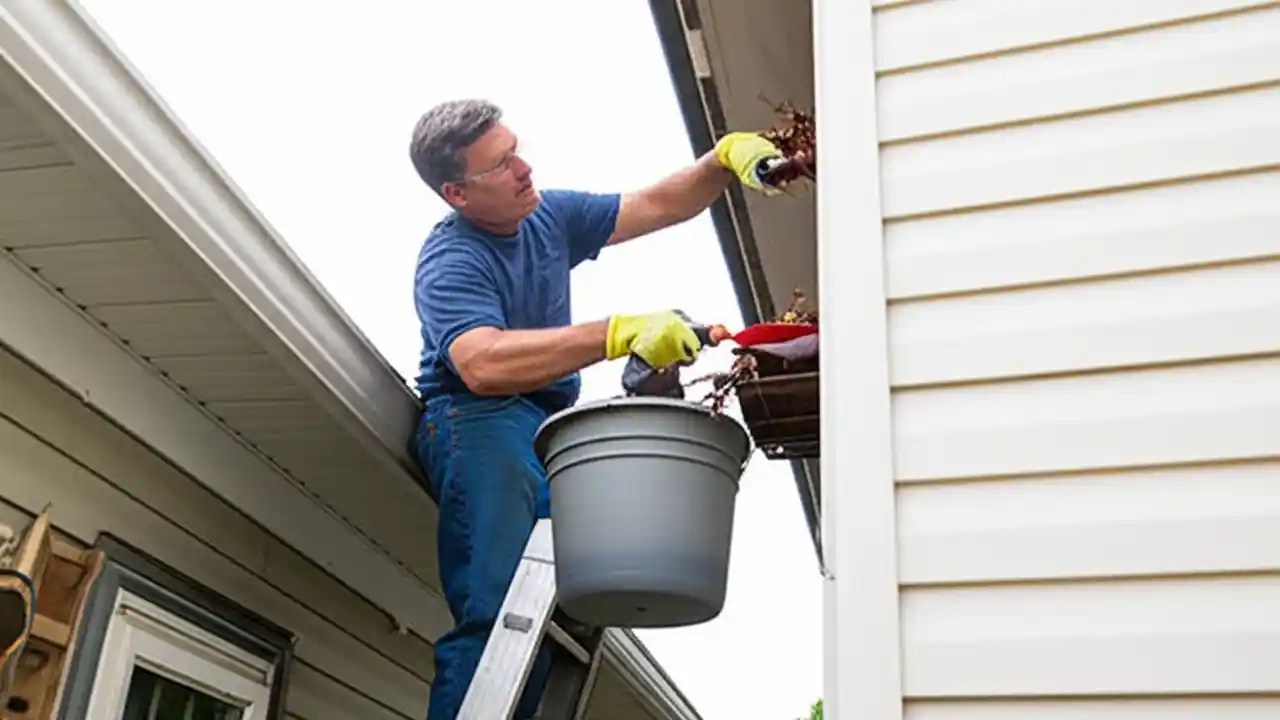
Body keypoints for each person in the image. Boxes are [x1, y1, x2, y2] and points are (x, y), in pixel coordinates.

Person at [406, 98, 781, 719]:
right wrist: (616, 333)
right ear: (457, 193)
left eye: (517, 149)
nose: (525, 169)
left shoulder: (547, 214)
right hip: (478, 424)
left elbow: (658, 204)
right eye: (502, 165)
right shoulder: (451, 259)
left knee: (559, 621)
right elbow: (483, 364)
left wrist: (723, 159)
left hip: (547, 431)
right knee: (498, 616)